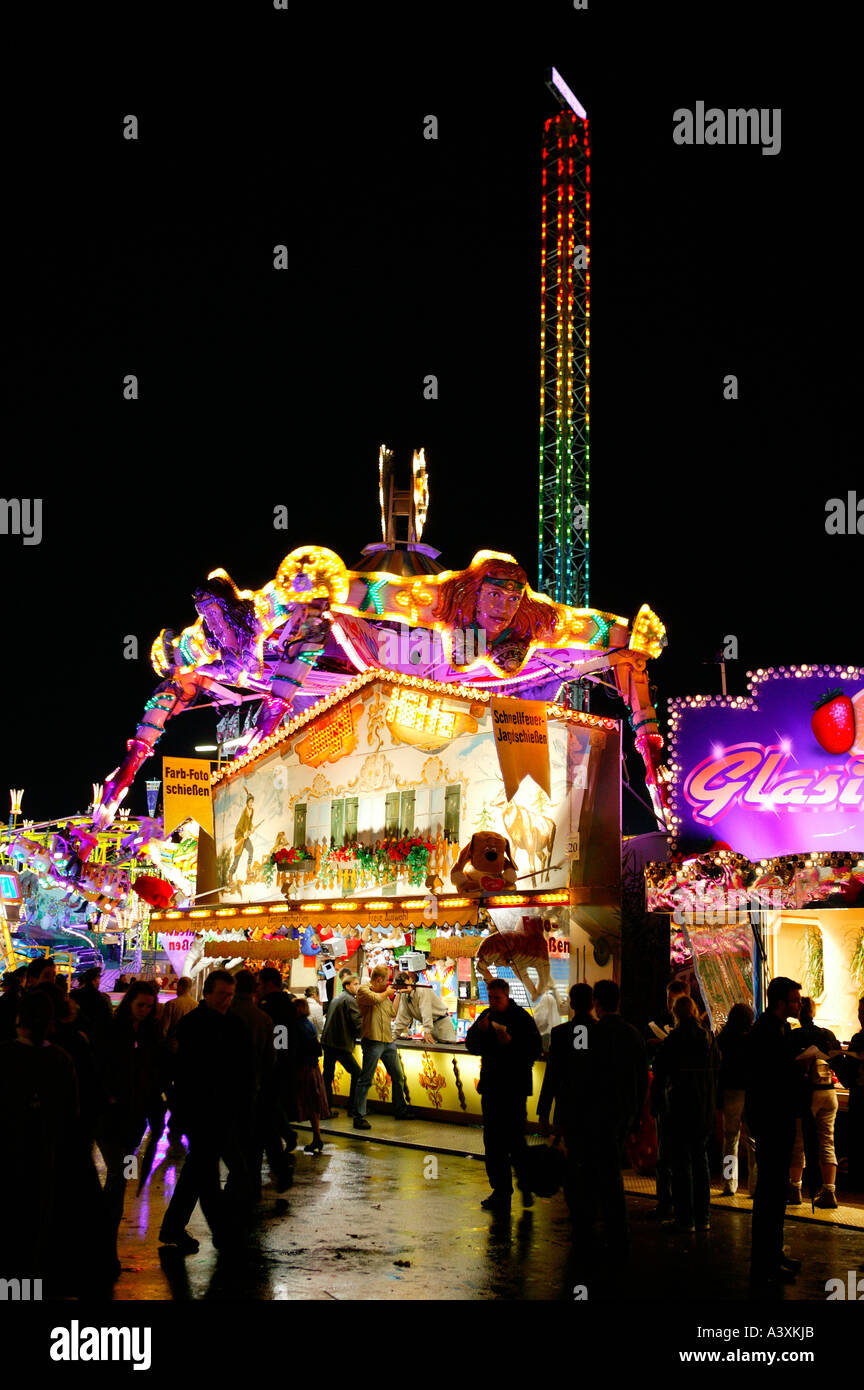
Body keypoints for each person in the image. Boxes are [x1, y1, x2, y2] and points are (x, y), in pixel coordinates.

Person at [158, 970, 255, 1253]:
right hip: (202, 1111)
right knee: (210, 1173)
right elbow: (188, 1073)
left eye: (230, 995)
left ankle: (175, 1227)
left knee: (200, 1172)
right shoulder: (194, 1025)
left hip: (225, 1111)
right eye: (223, 995)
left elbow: (246, 1069)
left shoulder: (235, 1024)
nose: (227, 1000)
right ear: (208, 993)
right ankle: (223, 1233)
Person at [93, 980, 166, 1270]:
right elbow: (99, 1069)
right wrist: (109, 1097)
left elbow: (155, 1071)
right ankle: (104, 1242)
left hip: (134, 1119)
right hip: (111, 1118)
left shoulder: (150, 1034)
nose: (145, 1011)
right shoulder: (111, 1031)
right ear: (130, 1003)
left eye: (149, 1006)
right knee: (117, 1177)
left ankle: (105, 1244)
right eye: (141, 1005)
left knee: (120, 1178)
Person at [744, 976, 805, 1287]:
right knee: (770, 1191)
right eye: (795, 1000)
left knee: (776, 1189)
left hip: (774, 1117)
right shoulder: (768, 1032)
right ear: (781, 1002)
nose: (799, 1004)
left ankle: (773, 1254)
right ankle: (766, 1260)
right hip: (772, 1119)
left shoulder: (777, 1029)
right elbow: (769, 1076)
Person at [465, 977, 543, 1211]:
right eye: (490, 998)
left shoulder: (521, 1019)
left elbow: (534, 1050)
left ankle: (526, 1184)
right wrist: (480, 1032)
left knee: (515, 1140)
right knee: (493, 1141)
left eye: (496, 998)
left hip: (514, 1088)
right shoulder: (486, 1018)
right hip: (491, 1087)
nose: (493, 1002)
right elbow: (472, 1046)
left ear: (507, 996)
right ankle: (501, 1190)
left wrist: (510, 1042)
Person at [651, 995, 719, 1233]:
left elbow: (659, 1074)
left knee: (681, 1163)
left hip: (679, 1107)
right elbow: (717, 1071)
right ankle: (704, 1217)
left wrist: (656, 1103)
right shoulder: (709, 1039)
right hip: (703, 1108)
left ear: (676, 1014)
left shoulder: (673, 1040)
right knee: (701, 1161)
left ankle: (685, 1218)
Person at [788, 997, 842, 1209]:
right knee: (827, 1141)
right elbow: (837, 1059)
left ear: (799, 1012)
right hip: (828, 1093)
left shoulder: (795, 1035)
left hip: (805, 1093)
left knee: (798, 1142)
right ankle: (829, 1191)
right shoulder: (826, 1034)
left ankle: (795, 1189)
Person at [231, 970, 276, 1200]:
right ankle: (251, 1185)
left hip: (226, 1092)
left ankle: (237, 1186)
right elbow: (272, 1057)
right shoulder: (263, 1018)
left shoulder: (227, 1014)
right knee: (253, 1144)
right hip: (254, 1090)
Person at [649, 978, 690, 1222]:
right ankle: (687, 1208)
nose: (670, 1005)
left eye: (675, 1001)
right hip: (686, 1101)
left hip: (674, 1099)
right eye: (669, 999)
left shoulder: (688, 1035)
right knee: (674, 1155)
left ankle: (673, 1205)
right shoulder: (701, 1034)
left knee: (670, 1155)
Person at [353, 965, 413, 1129]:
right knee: (366, 1079)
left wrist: (399, 993)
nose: (388, 983)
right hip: (372, 1040)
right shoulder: (364, 990)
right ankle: (359, 1116)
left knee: (398, 1076)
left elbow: (392, 1013)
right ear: (379, 979)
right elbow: (375, 999)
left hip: (387, 1040)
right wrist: (390, 991)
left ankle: (400, 1109)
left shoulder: (384, 994)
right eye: (386, 980)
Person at [716, 1002, 758, 1197]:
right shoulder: (752, 1039)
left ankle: (728, 1183)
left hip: (730, 1091)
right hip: (749, 1092)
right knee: (753, 1140)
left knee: (730, 1139)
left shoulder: (723, 1038)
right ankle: (755, 1184)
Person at [321, 971, 362, 1115]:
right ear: (347, 985)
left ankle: (325, 1108)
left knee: (327, 1076)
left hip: (329, 1042)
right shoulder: (350, 1000)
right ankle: (353, 1107)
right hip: (340, 1042)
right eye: (355, 984)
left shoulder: (338, 998)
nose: (358, 986)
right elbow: (357, 1022)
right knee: (357, 1073)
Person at [293, 996, 330, 1153]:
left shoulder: (296, 1026)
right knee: (313, 1103)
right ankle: (317, 1137)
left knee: (303, 1101)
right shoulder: (309, 1025)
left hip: (302, 1068)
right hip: (313, 1067)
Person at [835, 995, 864, 1188]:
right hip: (859, 1096)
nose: (861, 1016)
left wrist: (838, 1060)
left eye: (863, 1012)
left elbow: (847, 1075)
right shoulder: (858, 1039)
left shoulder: (860, 1039)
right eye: (860, 1012)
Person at [393, 971, 457, 1044]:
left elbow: (426, 1011)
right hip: (430, 1026)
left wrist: (427, 1030)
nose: (405, 988)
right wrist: (393, 1036)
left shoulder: (422, 989)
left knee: (448, 1051)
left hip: (442, 1024)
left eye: (405, 985)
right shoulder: (404, 995)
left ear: (410, 980)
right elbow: (402, 1017)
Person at [71, 966, 114, 1049]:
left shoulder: (74, 995)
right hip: (97, 1040)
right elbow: (109, 1021)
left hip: (76, 1039)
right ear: (94, 980)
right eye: (98, 979)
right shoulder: (103, 998)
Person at [529, 982, 563, 1051]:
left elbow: (540, 1020)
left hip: (547, 1036)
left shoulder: (547, 997)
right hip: (554, 1034)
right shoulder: (553, 997)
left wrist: (531, 1020)